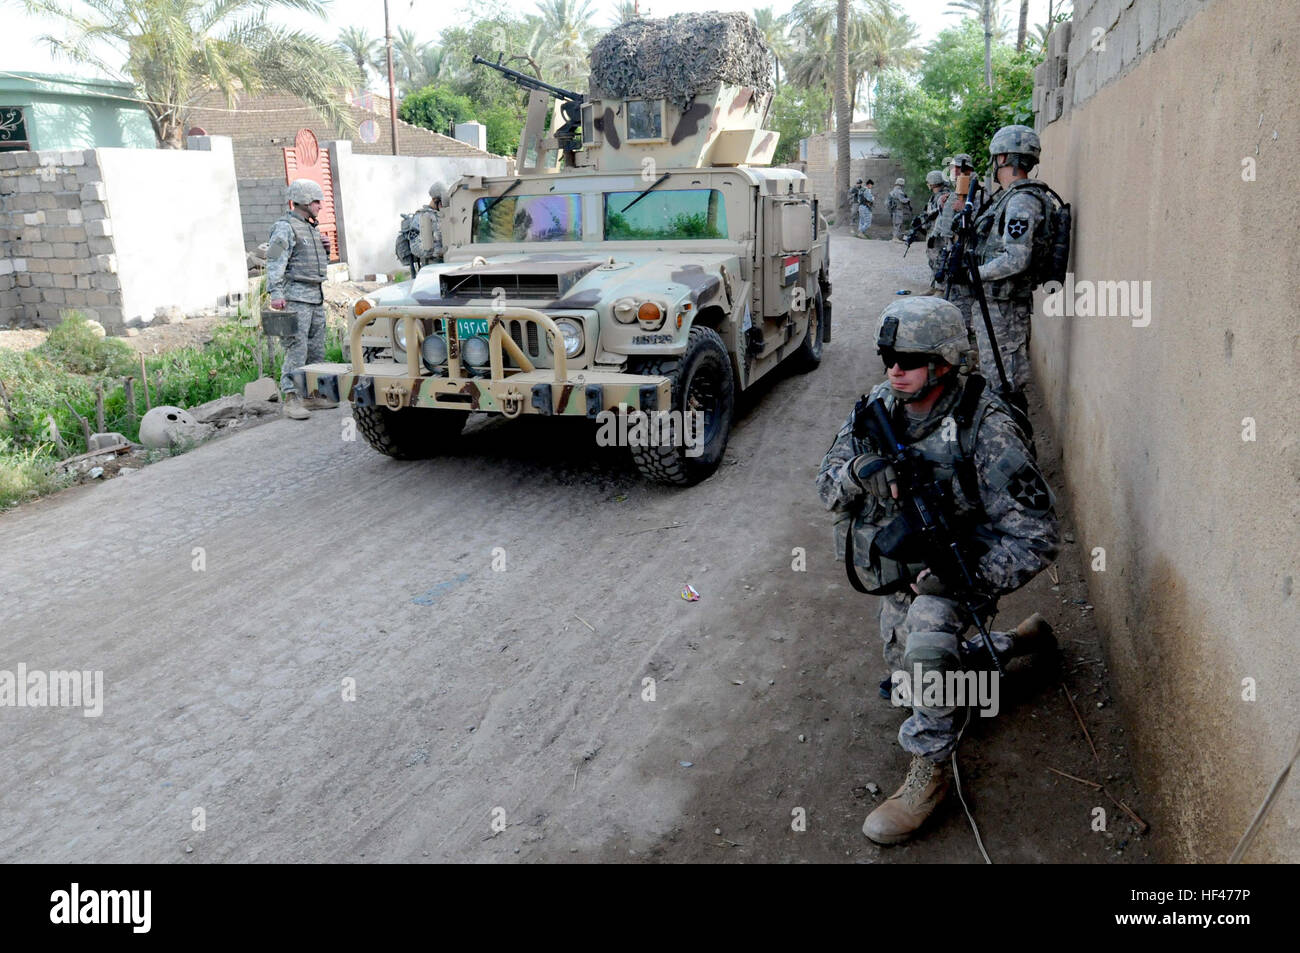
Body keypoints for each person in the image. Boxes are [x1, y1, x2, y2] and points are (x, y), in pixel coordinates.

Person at [815, 297, 1059, 844]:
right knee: (910, 679)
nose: (893, 370)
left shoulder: (988, 430)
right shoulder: (879, 406)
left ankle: (930, 769)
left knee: (927, 644)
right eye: (887, 358)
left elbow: (1038, 537)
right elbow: (826, 485)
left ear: (946, 362)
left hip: (964, 566)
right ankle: (1018, 643)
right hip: (900, 564)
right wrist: (858, 470)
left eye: (908, 360)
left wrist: (966, 576)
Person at [967, 125, 1055, 420]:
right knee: (996, 382)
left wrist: (976, 273)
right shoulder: (1009, 197)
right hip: (997, 306)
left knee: (1004, 386)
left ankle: (1013, 440)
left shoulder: (1021, 201)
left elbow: (1017, 259)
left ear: (1002, 157)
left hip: (1005, 310)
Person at [267, 178, 332, 420]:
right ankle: (292, 398)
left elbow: (311, 260)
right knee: (297, 349)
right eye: (316, 201)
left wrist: (325, 249)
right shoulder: (284, 227)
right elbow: (274, 259)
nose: (320, 206)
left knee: (316, 349)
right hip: (295, 298)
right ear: (303, 201)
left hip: (315, 297)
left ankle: (311, 395)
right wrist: (276, 292)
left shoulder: (310, 227)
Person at [396, 184, 446, 275]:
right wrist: (438, 252)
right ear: (435, 200)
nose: (443, 205)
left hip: (446, 265)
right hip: (430, 269)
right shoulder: (420, 217)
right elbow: (415, 248)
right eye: (441, 202)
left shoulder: (442, 215)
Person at [921, 171, 952, 287]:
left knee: (940, 260)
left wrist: (934, 234)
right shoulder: (935, 196)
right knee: (932, 259)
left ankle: (941, 288)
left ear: (933, 183)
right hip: (933, 232)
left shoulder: (944, 196)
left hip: (939, 234)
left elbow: (940, 216)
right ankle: (934, 286)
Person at [887, 178, 912, 242]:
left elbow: (887, 203)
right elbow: (903, 200)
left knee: (896, 224)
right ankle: (895, 238)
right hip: (898, 210)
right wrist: (908, 199)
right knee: (898, 224)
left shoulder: (892, 191)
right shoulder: (899, 191)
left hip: (894, 210)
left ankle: (896, 237)